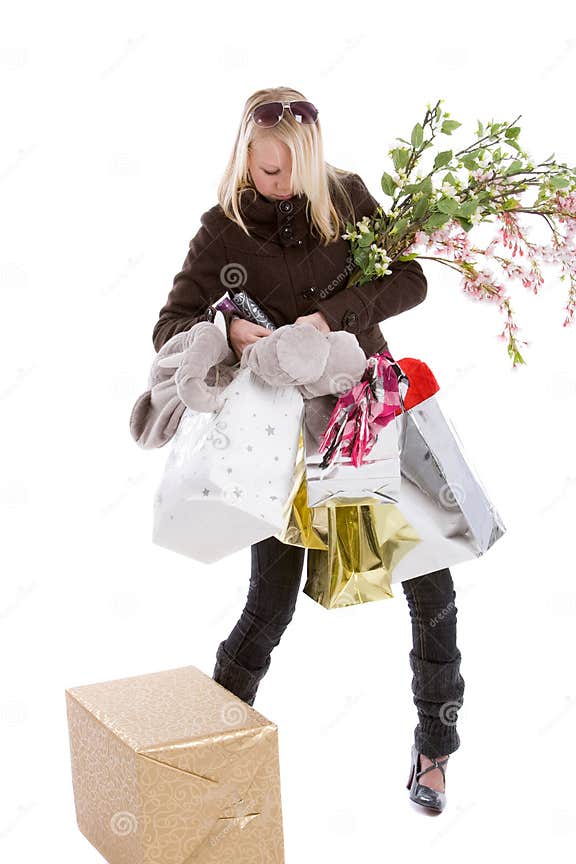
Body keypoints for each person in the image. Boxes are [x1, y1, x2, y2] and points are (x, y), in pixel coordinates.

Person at [151, 86, 465, 814]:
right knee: (270, 600)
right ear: (245, 160)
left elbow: (409, 279)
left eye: (290, 171)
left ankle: (435, 749)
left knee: (431, 581)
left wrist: (330, 319)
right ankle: (208, 756)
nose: (280, 184)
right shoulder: (222, 231)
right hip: (283, 440)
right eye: (265, 172)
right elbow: (168, 324)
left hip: (370, 413)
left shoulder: (348, 197)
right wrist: (228, 333)